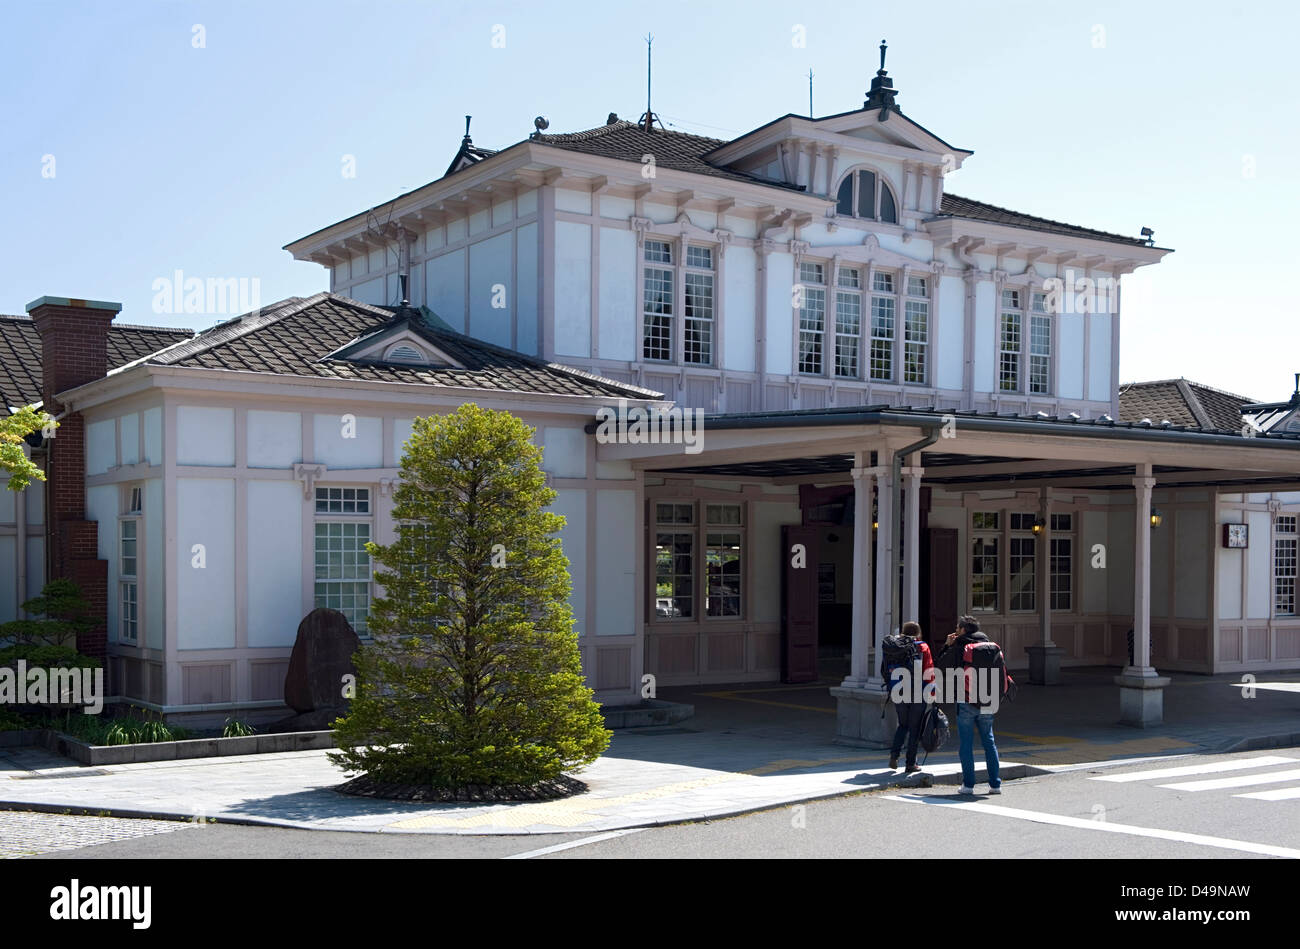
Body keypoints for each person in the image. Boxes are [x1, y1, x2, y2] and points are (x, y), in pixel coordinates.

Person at [935, 615, 1001, 794]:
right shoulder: (989, 646)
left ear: (963, 630)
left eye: (957, 628)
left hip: (967, 700)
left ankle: (968, 785)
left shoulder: (960, 646)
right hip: (988, 700)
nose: (956, 631)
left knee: (966, 743)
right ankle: (995, 784)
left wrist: (947, 645)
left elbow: (940, 667)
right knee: (989, 741)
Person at [885, 621, 933, 772]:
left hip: (899, 690)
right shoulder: (922, 647)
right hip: (918, 692)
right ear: (918, 633)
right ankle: (910, 763)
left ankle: (894, 755)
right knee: (915, 728)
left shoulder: (894, 647)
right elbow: (929, 671)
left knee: (903, 725)